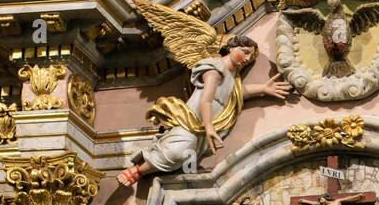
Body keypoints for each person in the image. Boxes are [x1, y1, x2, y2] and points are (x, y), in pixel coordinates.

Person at [117, 35, 291, 186]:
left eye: (251, 57)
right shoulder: (215, 68)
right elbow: (206, 99)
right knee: (177, 152)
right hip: (193, 122)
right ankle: (138, 170)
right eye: (245, 51)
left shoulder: (234, 78)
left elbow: (236, 93)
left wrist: (263, 89)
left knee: (185, 157)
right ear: (231, 48)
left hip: (205, 129)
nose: (247, 58)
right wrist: (208, 127)